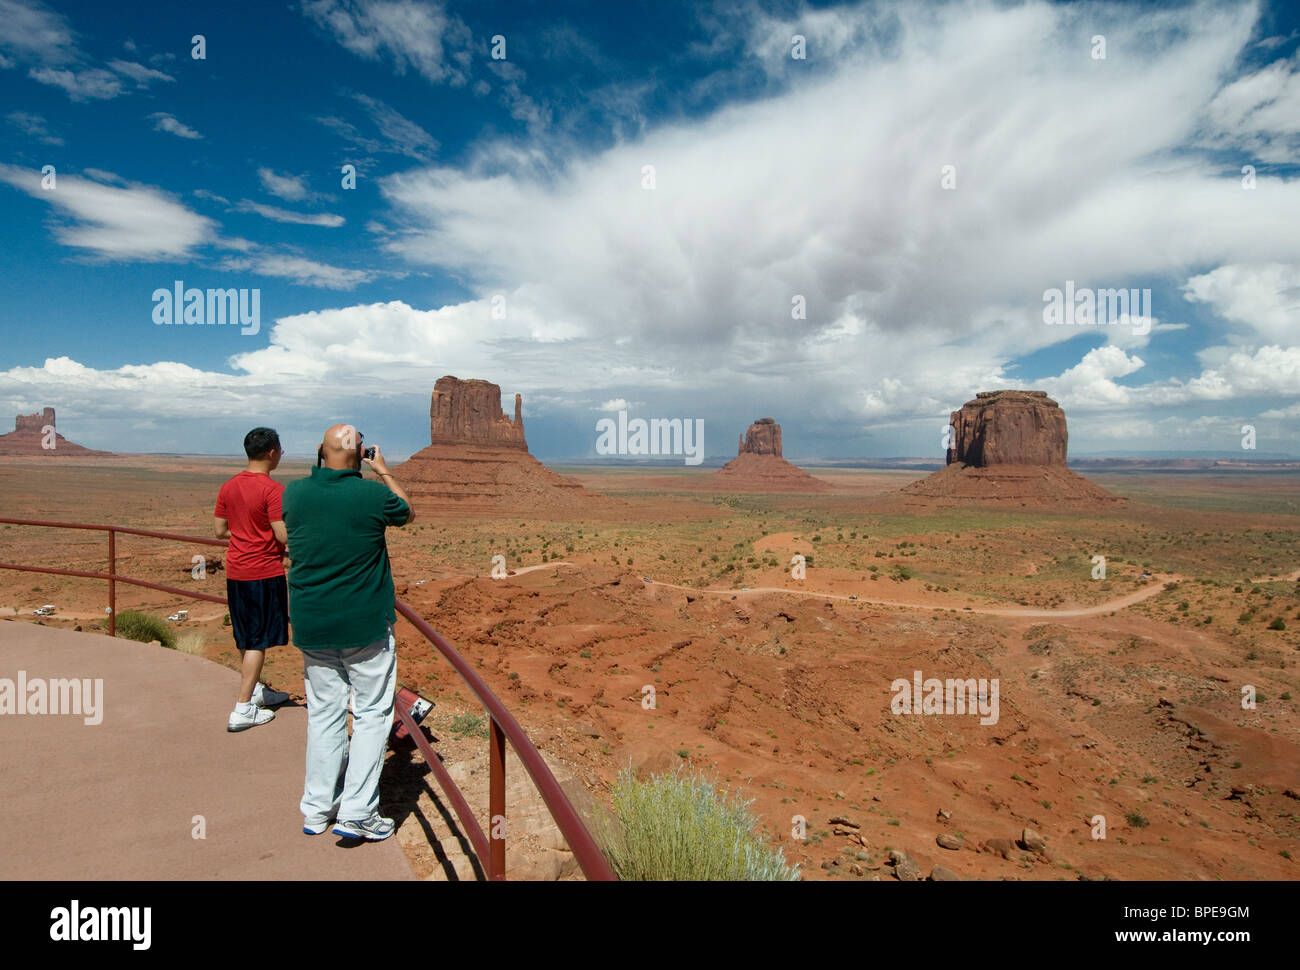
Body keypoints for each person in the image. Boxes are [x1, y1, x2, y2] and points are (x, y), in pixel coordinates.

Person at [282, 424, 415, 840]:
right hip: (364, 626)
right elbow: (407, 512)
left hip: (312, 624)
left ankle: (317, 808)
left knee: (324, 715)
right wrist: (384, 472)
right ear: (361, 455)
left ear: (320, 453)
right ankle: (357, 812)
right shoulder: (373, 495)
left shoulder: (293, 493)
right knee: (372, 714)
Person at [215, 427, 292, 731]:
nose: (281, 453)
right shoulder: (273, 490)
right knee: (258, 640)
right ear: (272, 453)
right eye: (280, 449)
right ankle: (243, 708)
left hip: (236, 569)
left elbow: (220, 531)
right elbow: (280, 532)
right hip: (263, 571)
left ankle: (258, 690)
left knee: (246, 635)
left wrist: (246, 536)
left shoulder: (228, 486)